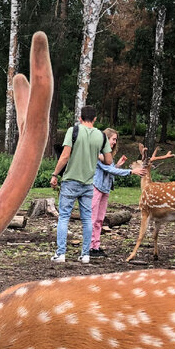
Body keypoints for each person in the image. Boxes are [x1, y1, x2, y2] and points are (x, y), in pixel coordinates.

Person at [49, 105, 113, 264]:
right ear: (95, 119)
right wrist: (97, 156)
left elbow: (64, 156)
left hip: (70, 181)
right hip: (88, 184)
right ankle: (85, 255)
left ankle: (61, 253)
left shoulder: (73, 131)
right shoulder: (101, 136)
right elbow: (109, 161)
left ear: (80, 118)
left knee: (64, 217)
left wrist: (55, 174)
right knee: (86, 219)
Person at [89, 128, 130, 257]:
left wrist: (117, 165)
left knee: (100, 219)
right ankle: (89, 246)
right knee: (93, 218)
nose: (114, 142)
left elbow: (110, 170)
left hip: (105, 189)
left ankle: (96, 246)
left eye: (116, 140)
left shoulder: (108, 156)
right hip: (96, 187)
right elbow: (108, 170)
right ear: (106, 139)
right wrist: (130, 172)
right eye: (113, 139)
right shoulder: (99, 154)